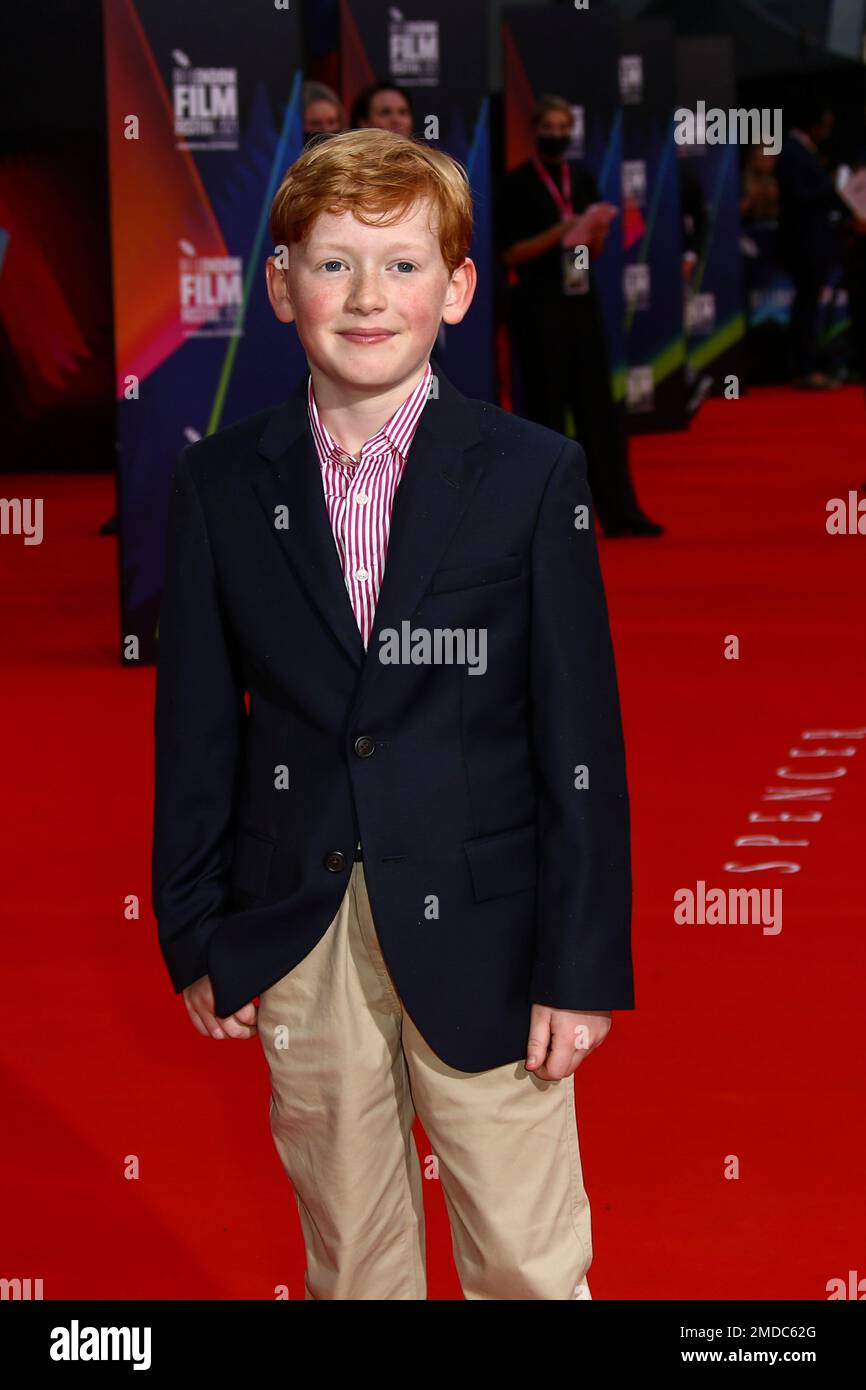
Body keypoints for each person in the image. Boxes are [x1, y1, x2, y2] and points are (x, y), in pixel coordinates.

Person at [151, 128, 634, 1300]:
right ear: (279, 286)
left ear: (459, 289)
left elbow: (579, 738)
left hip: (494, 930)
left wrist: (580, 962)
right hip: (301, 927)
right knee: (352, 1263)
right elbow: (199, 725)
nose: (367, 298)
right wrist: (194, 924)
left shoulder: (529, 476)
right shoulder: (222, 482)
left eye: (405, 265)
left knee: (524, 1258)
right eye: (331, 265)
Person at [500, 94, 663, 538]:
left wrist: (592, 236)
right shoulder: (516, 185)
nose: (557, 134)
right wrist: (561, 230)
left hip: (581, 305)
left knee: (600, 415)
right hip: (537, 309)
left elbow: (592, 253)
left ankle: (619, 511)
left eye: (563, 126)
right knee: (545, 412)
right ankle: (548, 522)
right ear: (534, 132)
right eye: (548, 126)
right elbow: (512, 254)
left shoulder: (585, 178)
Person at [776, 104, 842, 390]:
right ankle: (802, 367)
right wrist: (830, 186)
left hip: (812, 241)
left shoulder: (801, 150)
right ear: (811, 125)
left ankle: (804, 365)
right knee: (806, 305)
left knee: (808, 304)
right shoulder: (791, 150)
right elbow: (797, 196)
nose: (826, 133)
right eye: (824, 126)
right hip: (803, 243)